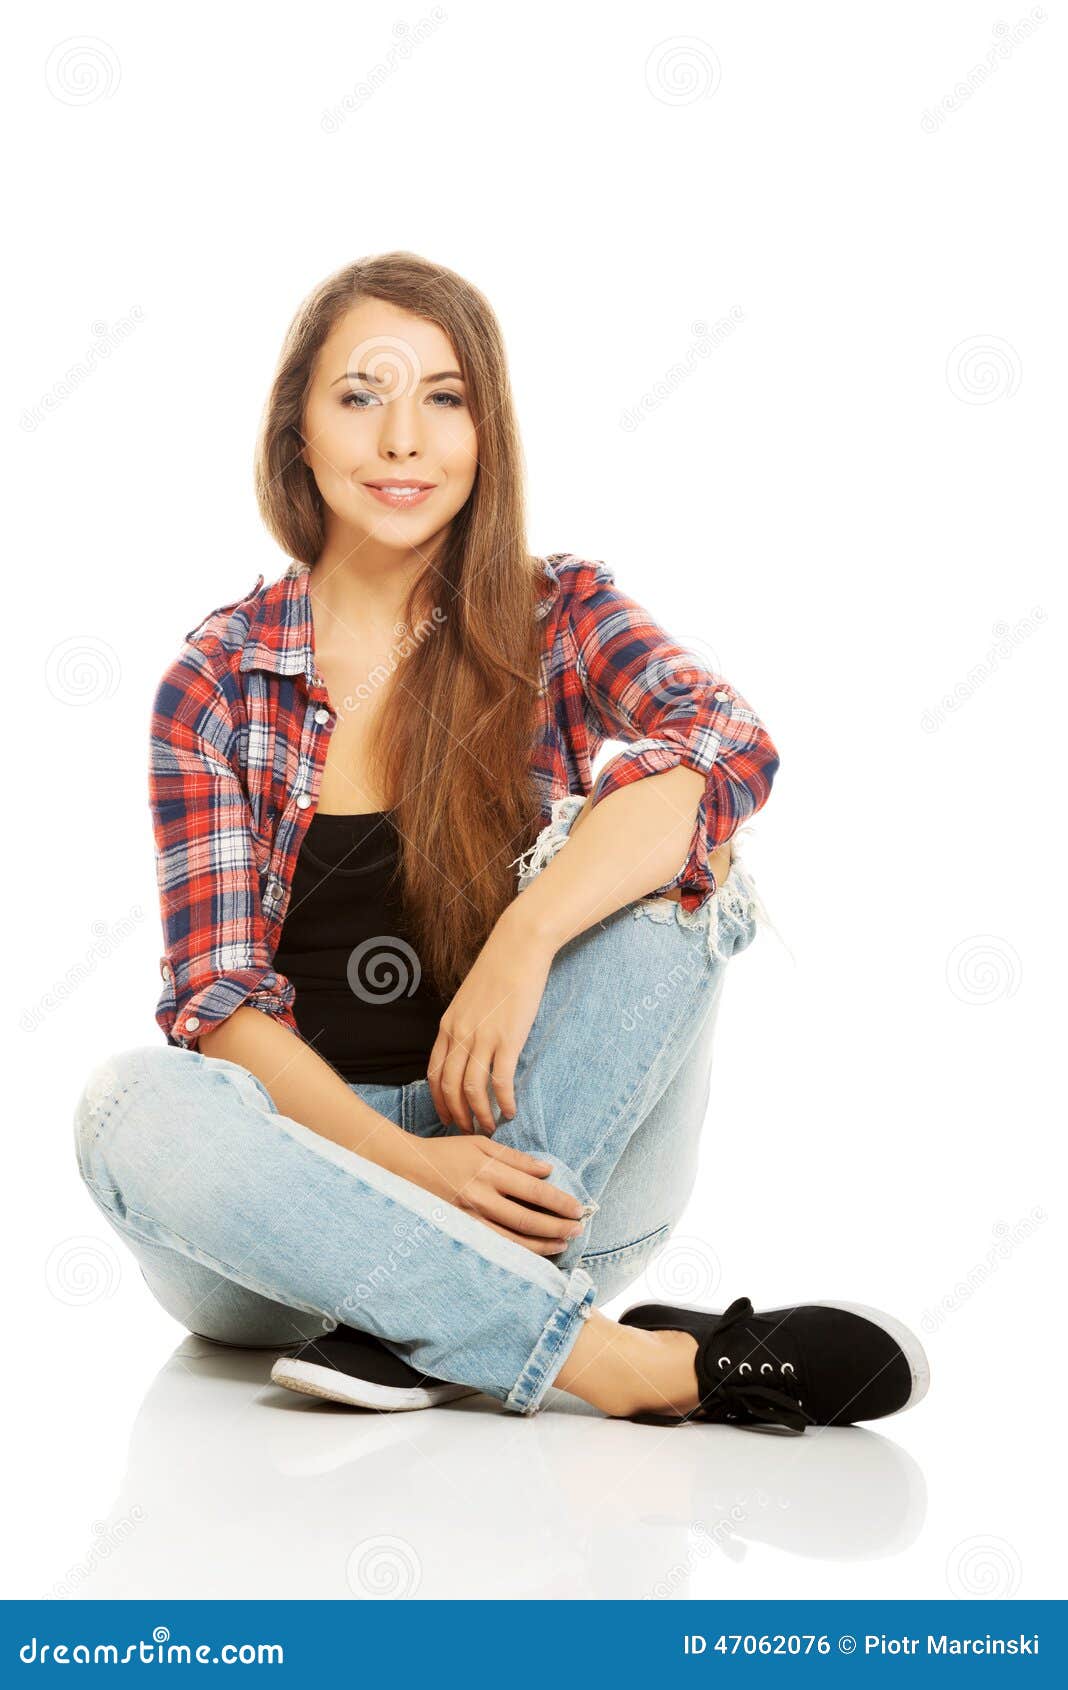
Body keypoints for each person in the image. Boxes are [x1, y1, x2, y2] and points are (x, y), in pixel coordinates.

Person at [72, 252, 929, 1432]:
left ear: (486, 434)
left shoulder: (560, 615)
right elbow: (220, 1006)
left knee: (689, 861)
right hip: (284, 1218)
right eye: (360, 396)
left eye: (444, 397)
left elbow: (726, 743)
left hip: (540, 1177)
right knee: (131, 1106)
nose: (402, 440)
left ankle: (419, 1323)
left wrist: (529, 931)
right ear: (298, 435)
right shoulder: (215, 684)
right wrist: (411, 1173)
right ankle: (624, 1363)